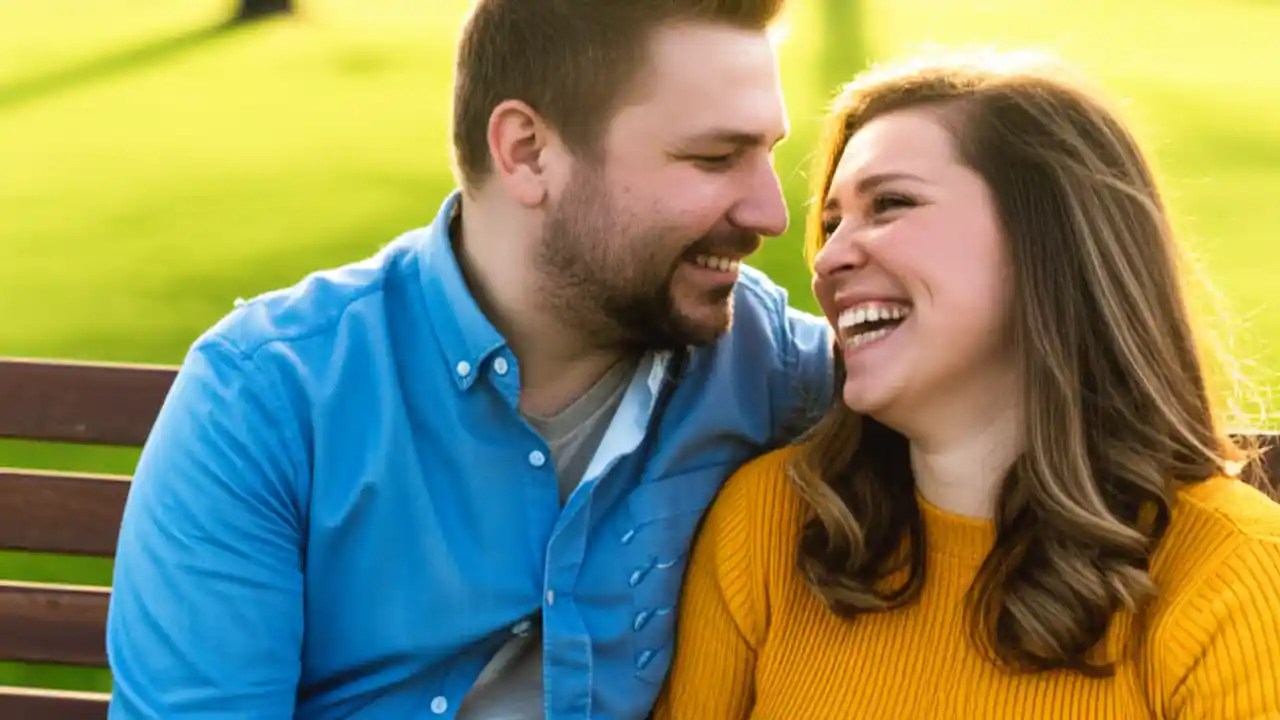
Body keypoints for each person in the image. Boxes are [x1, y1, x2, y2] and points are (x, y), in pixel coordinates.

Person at [104, 1, 833, 717]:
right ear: (526, 151)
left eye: (766, 155)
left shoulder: (768, 368)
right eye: (713, 159)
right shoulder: (267, 399)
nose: (770, 213)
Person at [655, 49, 1280, 719]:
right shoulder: (770, 527)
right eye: (832, 225)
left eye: (890, 204)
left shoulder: (1230, 573)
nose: (829, 259)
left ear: (1048, 241)